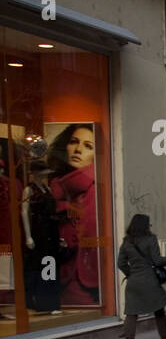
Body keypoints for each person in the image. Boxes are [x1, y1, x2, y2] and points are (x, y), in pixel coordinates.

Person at [47, 123, 99, 306]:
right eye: (74, 142)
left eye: (88, 146)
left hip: (81, 280)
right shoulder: (56, 187)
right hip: (57, 272)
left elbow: (91, 234)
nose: (78, 150)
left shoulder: (94, 189)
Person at [117, 214, 166, 339]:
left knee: (131, 314)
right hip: (149, 280)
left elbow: (120, 263)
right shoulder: (150, 240)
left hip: (133, 282)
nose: (150, 227)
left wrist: (130, 273)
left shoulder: (126, 242)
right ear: (145, 226)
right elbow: (157, 261)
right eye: (149, 224)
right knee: (159, 311)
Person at [20, 158, 62, 313]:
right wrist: (28, 236)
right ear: (35, 174)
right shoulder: (29, 190)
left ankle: (50, 302)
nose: (45, 176)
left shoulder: (47, 189)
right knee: (41, 267)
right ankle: (41, 302)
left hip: (50, 231)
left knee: (50, 266)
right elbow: (24, 212)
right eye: (42, 173)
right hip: (39, 232)